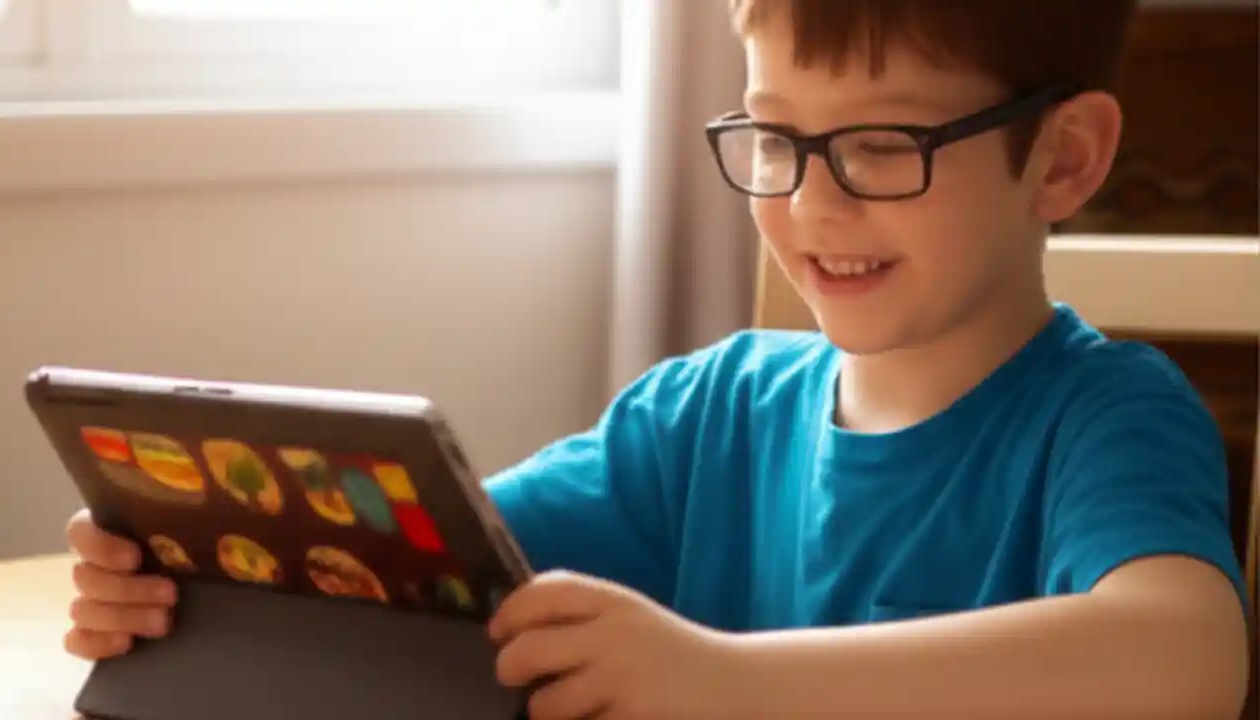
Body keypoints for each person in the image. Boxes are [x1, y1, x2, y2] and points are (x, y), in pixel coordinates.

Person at [61, 1, 1249, 717]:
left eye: (883, 145)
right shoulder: (699, 417)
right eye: (775, 136)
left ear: (1060, 159)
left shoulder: (1103, 417)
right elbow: (422, 572)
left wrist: (727, 685)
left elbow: (1184, 657)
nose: (811, 203)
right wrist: (182, 580)